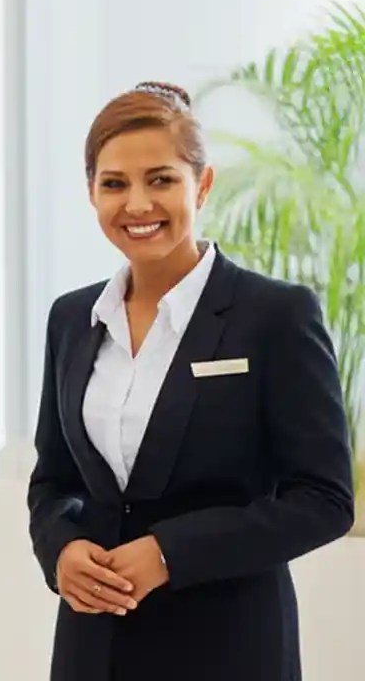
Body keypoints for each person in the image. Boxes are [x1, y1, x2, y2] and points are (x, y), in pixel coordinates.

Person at [27, 81, 355, 681]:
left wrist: (169, 553)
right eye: (114, 184)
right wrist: (60, 550)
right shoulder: (72, 318)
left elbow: (324, 500)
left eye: (161, 180)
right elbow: (53, 479)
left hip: (226, 643)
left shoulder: (274, 316)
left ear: (202, 186)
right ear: (91, 192)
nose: (137, 204)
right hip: (92, 644)